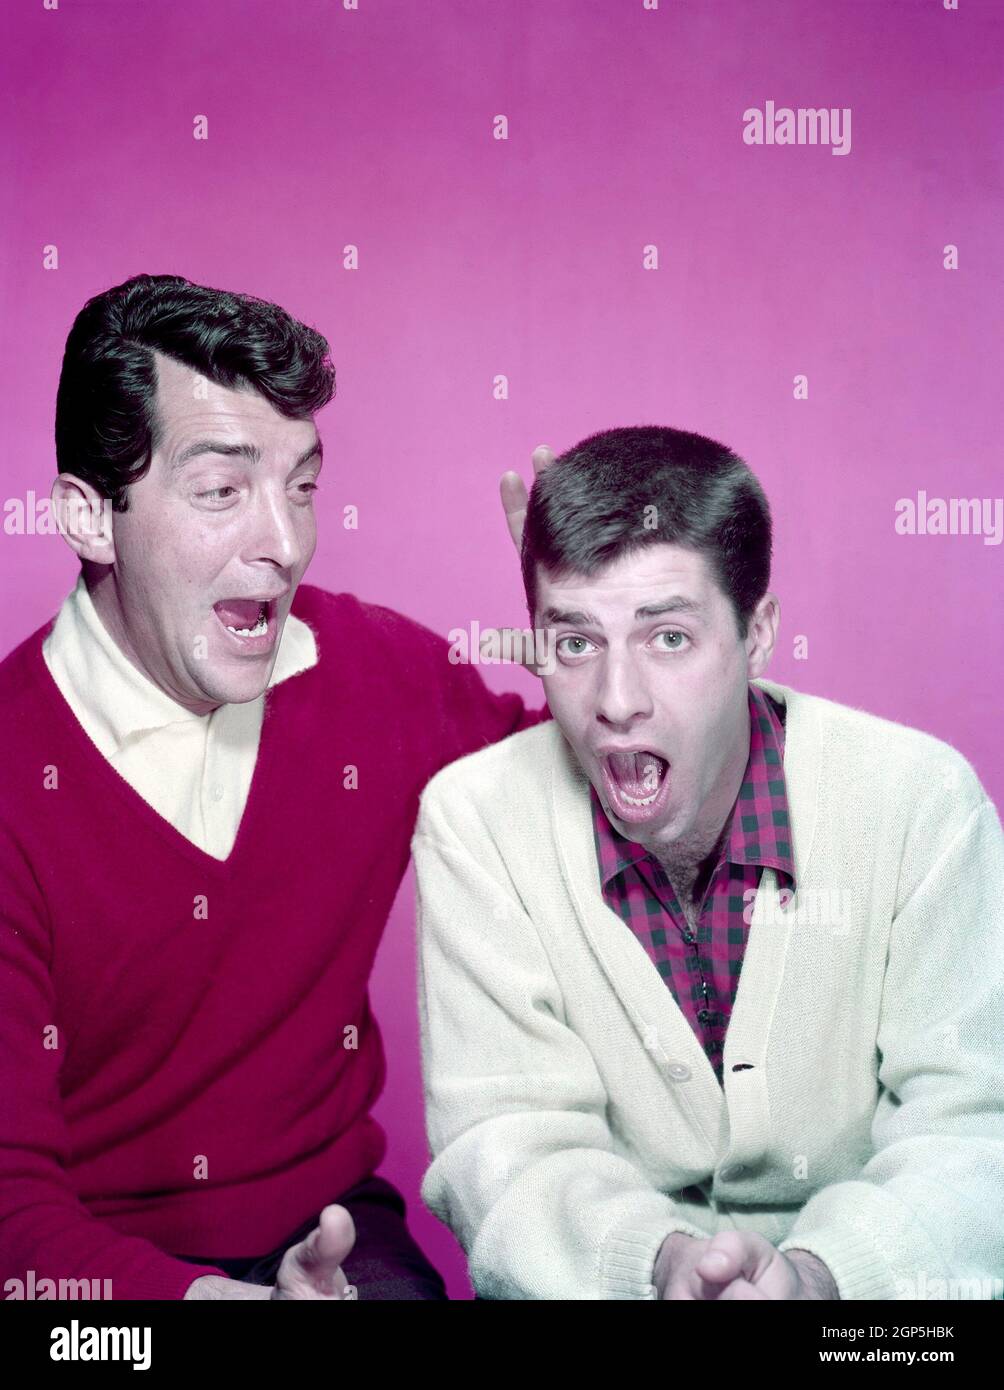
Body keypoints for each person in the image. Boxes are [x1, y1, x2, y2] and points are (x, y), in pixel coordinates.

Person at [0, 272, 548, 1301]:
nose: (285, 542)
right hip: (85, 1277)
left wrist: (588, 629)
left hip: (334, 1231)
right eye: (221, 491)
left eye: (300, 485)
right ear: (87, 515)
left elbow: (593, 810)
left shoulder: (376, 672)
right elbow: (8, 1212)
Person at [412, 424, 1004, 1300]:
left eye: (670, 639)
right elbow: (506, 1146)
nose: (616, 702)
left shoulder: (919, 801)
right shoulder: (475, 821)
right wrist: (661, 1266)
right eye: (574, 643)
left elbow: (974, 1136)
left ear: (758, 631)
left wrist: (819, 1280)